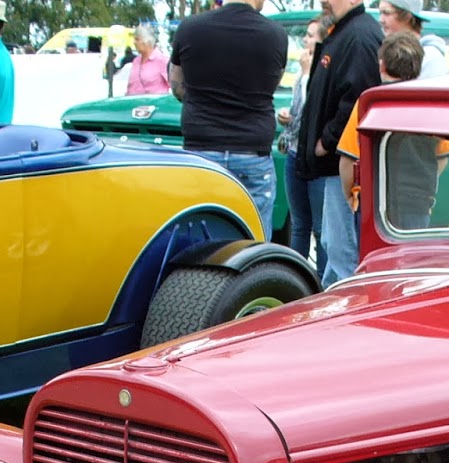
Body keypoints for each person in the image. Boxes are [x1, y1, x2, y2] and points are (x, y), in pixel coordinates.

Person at [169, 0, 286, 239]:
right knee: (253, 243)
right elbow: (271, 85)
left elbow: (177, 85)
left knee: (198, 241)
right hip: (252, 153)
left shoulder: (190, 28)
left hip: (202, 151)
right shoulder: (275, 35)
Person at [299, 0, 382, 286]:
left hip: (344, 165)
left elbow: (358, 98)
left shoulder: (358, 37)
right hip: (334, 165)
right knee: (333, 247)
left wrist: (328, 139)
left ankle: (345, 310)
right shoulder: (343, 32)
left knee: (341, 251)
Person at [337, 31, 448, 231]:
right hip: (417, 203)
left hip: (374, 199)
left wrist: (350, 195)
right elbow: (442, 156)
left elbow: (348, 160)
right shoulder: (429, 106)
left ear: (381, 65)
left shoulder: (369, 104)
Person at [279, 16, 328, 274]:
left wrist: (308, 74)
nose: (306, 40)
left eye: (310, 35)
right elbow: (300, 109)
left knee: (320, 228)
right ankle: (296, 279)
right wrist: (287, 114)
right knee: (299, 224)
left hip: (316, 159)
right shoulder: (301, 70)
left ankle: (322, 283)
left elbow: (315, 108)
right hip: (295, 152)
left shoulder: (321, 69)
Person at [377, 0, 449, 78]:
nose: (381, 20)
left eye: (386, 13)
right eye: (380, 13)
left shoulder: (430, 59)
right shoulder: (388, 50)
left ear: (407, 17)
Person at [125, 24, 168, 96]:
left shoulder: (162, 60)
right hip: (133, 104)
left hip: (155, 105)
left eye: (137, 39)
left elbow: (176, 87)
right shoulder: (136, 61)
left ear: (147, 41)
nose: (134, 42)